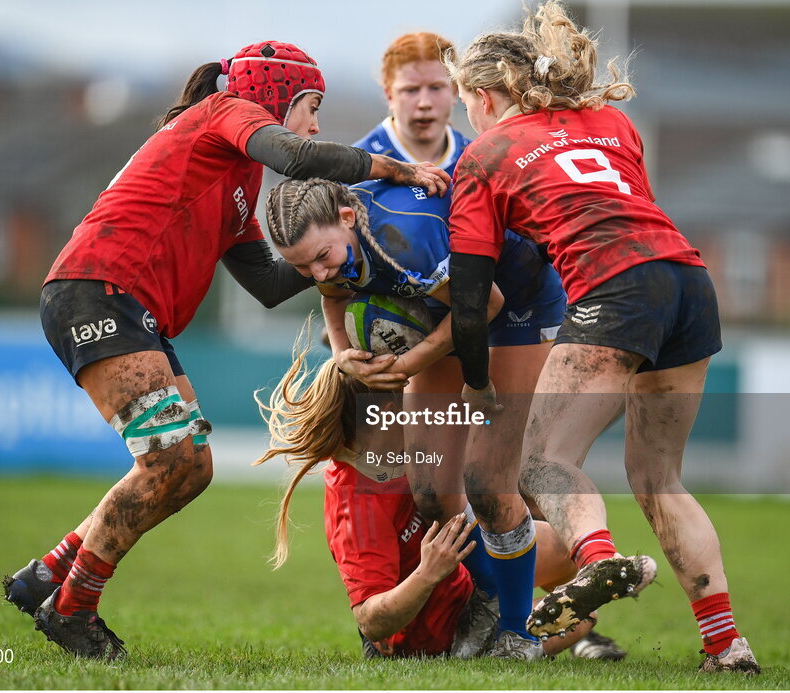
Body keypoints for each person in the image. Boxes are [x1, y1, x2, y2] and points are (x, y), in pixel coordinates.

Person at [0, 40, 450, 660]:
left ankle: (49, 575)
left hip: (133, 310)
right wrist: (390, 171)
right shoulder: (223, 112)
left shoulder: (235, 179)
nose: (314, 123)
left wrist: (353, 246)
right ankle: (73, 608)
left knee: (192, 469)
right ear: (273, 98)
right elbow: (295, 154)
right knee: (169, 460)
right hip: (99, 292)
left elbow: (269, 283)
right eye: (309, 106)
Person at [443, 0, 760, 674]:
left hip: (614, 290)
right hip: (689, 282)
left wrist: (478, 385)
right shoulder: (612, 121)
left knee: (541, 458)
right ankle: (726, 644)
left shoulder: (485, 154)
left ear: (481, 96)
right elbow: (623, 210)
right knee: (658, 475)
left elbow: (468, 305)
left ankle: (598, 559)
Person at [263, 176, 567, 658]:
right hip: (452, 307)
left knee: (489, 479)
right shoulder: (338, 247)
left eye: (321, 258)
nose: (318, 273)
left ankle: (518, 624)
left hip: (516, 300)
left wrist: (411, 366)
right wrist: (341, 352)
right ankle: (524, 601)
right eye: (303, 267)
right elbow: (335, 293)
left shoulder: (403, 243)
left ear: (347, 220)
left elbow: (483, 306)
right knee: (432, 487)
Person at [252, 326, 626, 661]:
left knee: (550, 538)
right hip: (444, 637)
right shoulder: (357, 502)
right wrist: (427, 573)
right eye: (408, 394)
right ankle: (516, 640)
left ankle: (544, 624)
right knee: (579, 615)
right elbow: (370, 621)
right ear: (385, 412)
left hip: (470, 586)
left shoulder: (406, 454)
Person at [353, 32, 470, 175]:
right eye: (411, 90)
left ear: (454, 91)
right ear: (389, 95)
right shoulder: (356, 171)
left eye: (436, 88)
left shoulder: (481, 163)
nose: (424, 103)